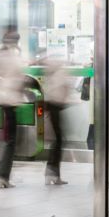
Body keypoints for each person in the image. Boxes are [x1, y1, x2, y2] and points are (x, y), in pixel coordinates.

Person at [0, 28, 25, 189]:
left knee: (10, 137)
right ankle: (3, 175)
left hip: (2, 97)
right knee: (11, 138)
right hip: (10, 99)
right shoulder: (12, 55)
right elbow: (18, 75)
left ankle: (4, 174)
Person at [39, 52, 72, 186]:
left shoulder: (52, 73)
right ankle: (52, 173)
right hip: (56, 107)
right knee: (58, 141)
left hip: (54, 107)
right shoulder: (57, 73)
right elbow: (61, 90)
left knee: (58, 141)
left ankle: (52, 173)